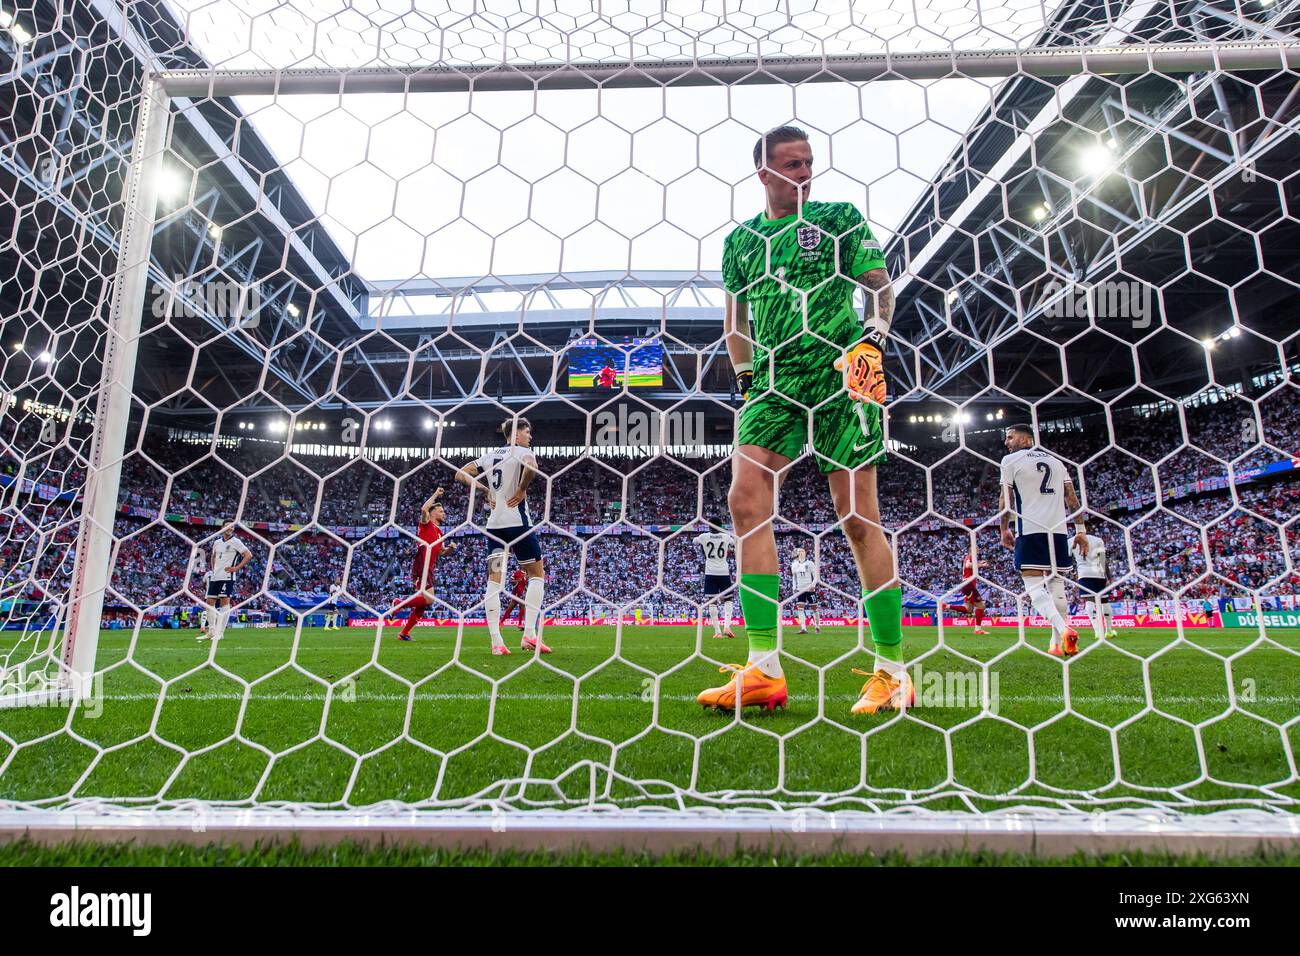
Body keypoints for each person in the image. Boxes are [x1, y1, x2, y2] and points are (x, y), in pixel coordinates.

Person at [697, 124, 907, 716]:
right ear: (763, 172)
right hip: (772, 383)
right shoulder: (741, 242)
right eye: (791, 164)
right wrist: (744, 382)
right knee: (744, 501)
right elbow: (735, 324)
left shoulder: (838, 218)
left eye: (809, 162)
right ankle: (765, 667)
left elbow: (880, 288)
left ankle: (892, 670)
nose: (804, 173)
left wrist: (874, 341)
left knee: (859, 519)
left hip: (843, 374)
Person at [455, 417, 550, 655]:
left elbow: (460, 474)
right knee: (536, 575)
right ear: (516, 434)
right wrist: (521, 489)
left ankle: (496, 642)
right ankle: (529, 635)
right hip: (518, 525)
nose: (530, 437)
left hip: (495, 527)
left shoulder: (489, 456)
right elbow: (531, 467)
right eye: (528, 432)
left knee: (494, 581)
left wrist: (485, 489)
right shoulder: (522, 451)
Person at [999, 424, 1087, 657]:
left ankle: (1063, 629)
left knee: (1034, 587)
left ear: (1025, 438)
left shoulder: (1010, 461)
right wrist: (1080, 530)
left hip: (1030, 531)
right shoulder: (1056, 462)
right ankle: (1056, 644)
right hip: (1058, 533)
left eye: (1010, 437)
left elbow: (1005, 498)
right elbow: (1072, 498)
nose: (1006, 442)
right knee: (1057, 587)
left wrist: (1004, 528)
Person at [391, 487, 455, 641]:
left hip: (429, 566)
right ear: (432, 513)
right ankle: (399, 603)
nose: (443, 513)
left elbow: (441, 552)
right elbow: (424, 508)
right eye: (441, 511)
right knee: (430, 599)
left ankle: (404, 633)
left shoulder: (440, 532)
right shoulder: (426, 524)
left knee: (423, 603)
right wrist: (436, 494)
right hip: (423, 563)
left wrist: (450, 550)